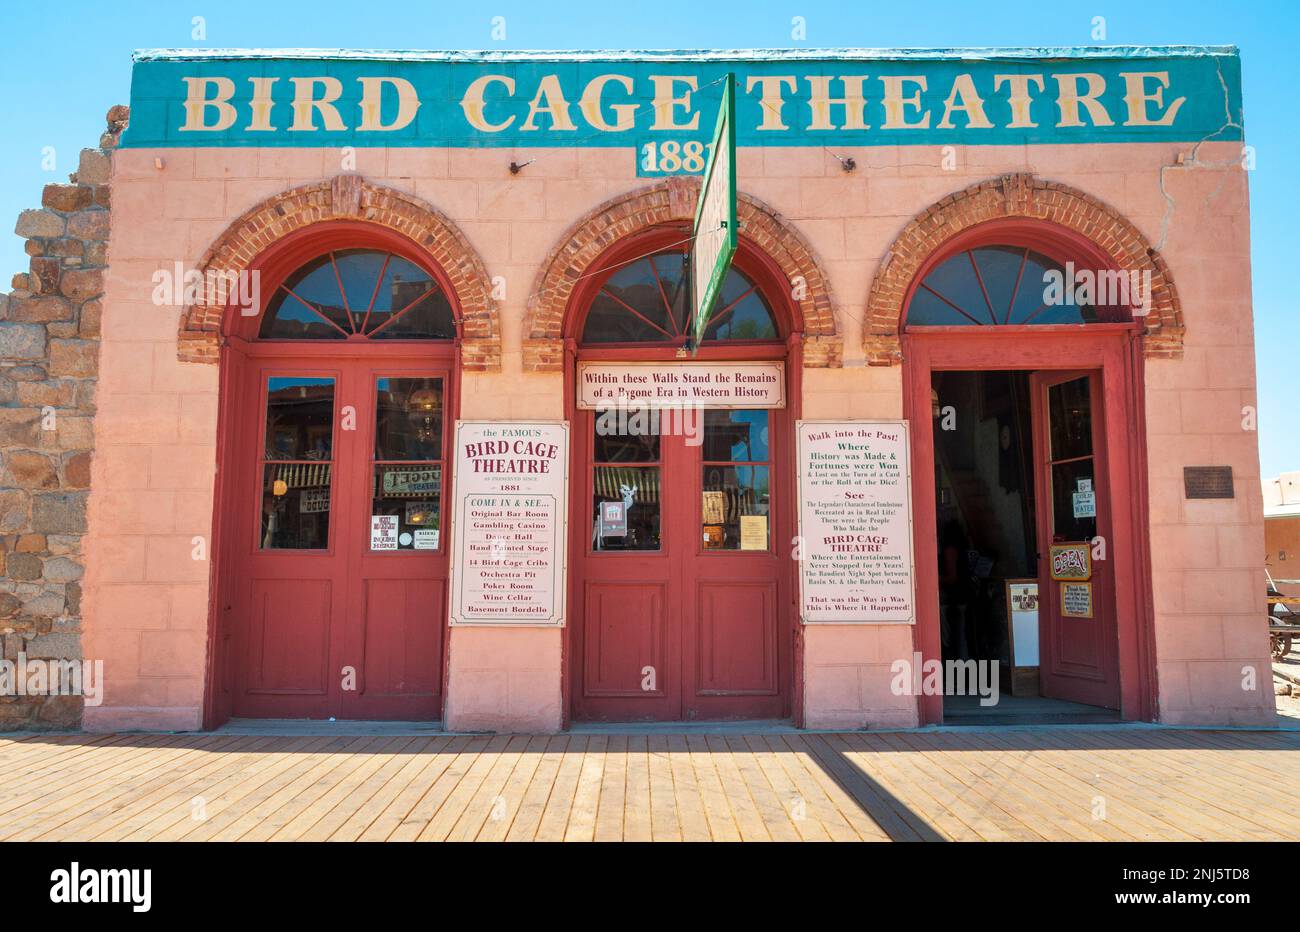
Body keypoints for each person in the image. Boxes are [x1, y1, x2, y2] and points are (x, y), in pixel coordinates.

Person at [938, 520, 974, 661]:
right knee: (963, 634)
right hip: (963, 596)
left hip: (954, 598)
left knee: (956, 635)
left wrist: (936, 578)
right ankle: (965, 664)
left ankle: (960, 665)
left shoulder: (950, 550)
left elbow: (952, 577)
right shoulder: (962, 548)